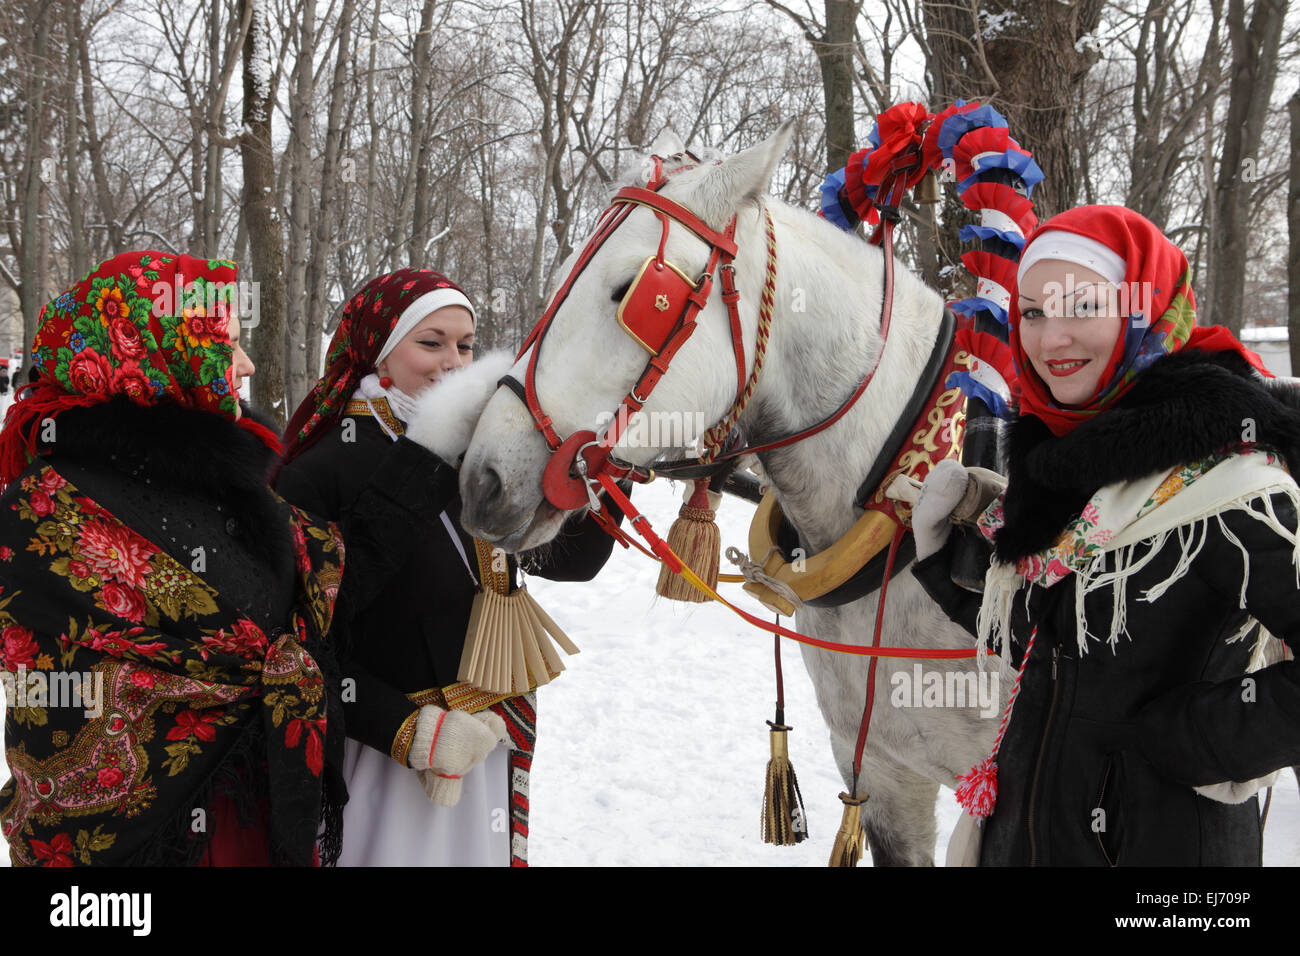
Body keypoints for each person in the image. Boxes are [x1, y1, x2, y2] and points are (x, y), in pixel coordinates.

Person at [910, 205, 1300, 866]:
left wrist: (1186, 741)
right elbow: (1053, 646)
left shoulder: (1231, 481)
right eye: (1031, 313)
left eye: (1081, 306)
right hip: (1030, 835)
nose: (1051, 338)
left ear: (1143, 308)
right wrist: (942, 559)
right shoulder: (1060, 459)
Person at [0, 251, 347, 866]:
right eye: (228, 345)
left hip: (249, 816)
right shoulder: (55, 503)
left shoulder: (236, 480)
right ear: (156, 349)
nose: (246, 364)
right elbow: (55, 699)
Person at [274, 268, 624, 866]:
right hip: (381, 759)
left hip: (485, 742)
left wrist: (600, 464)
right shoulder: (322, 469)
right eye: (430, 343)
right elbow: (301, 640)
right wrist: (409, 732)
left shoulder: (482, 453)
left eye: (465, 344)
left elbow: (574, 563)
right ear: (379, 353)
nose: (454, 363)